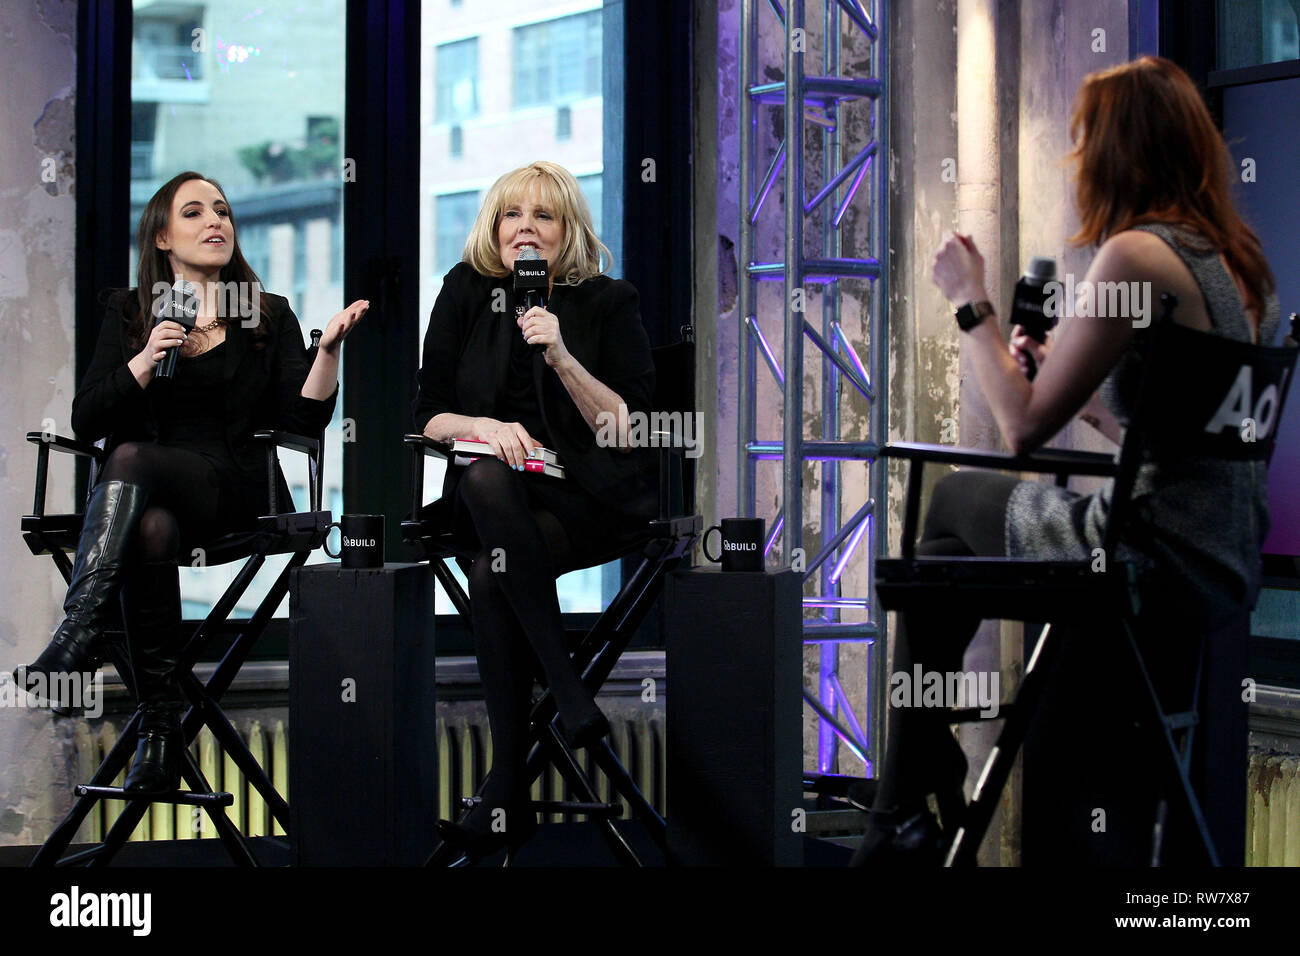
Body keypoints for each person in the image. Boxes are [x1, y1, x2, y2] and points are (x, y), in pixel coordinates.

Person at [854, 56, 1280, 865]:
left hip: (1140, 554)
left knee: (945, 507)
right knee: (943, 557)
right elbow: (1196, 448)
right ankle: (907, 790)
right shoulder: (1231, 266)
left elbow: (1018, 428)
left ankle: (903, 797)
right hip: (1214, 558)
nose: (1078, 160)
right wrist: (1085, 399)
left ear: (1121, 150)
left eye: (1086, 141)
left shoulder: (1136, 256)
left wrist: (969, 299)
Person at [14, 170, 367, 792]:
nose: (216, 222)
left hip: (233, 494)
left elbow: (303, 420)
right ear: (162, 239)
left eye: (224, 212)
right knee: (149, 527)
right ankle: (159, 736)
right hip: (151, 509)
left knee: (128, 458)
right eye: (196, 212)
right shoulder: (130, 312)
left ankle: (80, 631)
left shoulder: (267, 314)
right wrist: (147, 359)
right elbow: (86, 417)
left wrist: (329, 352)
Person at [413, 160, 657, 861]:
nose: (525, 227)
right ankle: (566, 684)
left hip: (585, 496)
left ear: (567, 230)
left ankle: (506, 793)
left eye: (542, 215)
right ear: (494, 229)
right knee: (488, 480)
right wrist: (482, 430)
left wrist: (561, 356)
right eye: (511, 214)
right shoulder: (463, 291)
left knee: (495, 578)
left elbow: (629, 427)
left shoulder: (608, 302)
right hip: (489, 493)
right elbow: (424, 414)